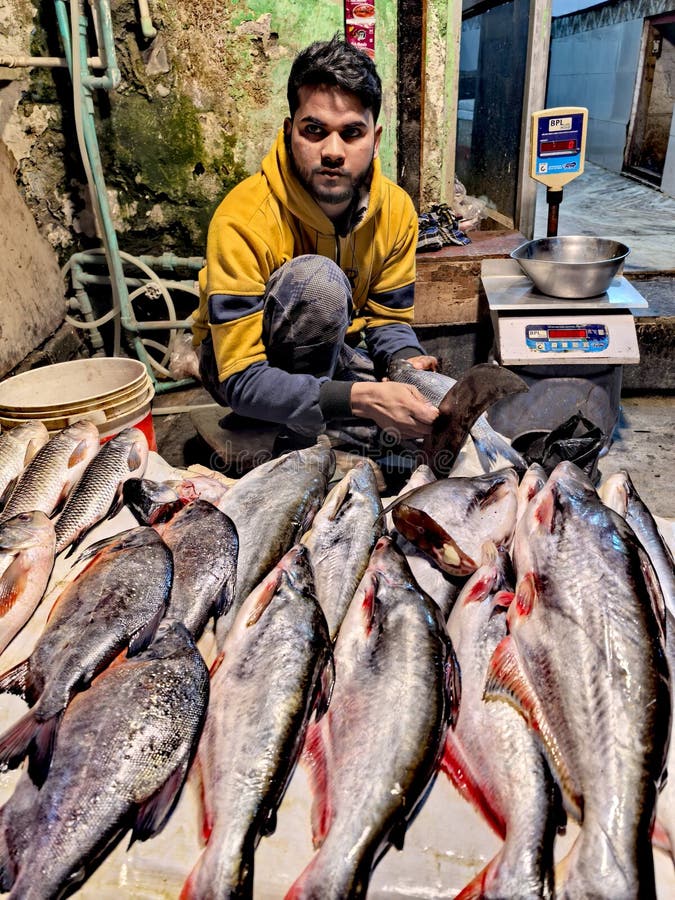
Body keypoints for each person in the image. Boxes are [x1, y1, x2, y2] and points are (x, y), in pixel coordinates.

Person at [192, 34, 439, 454]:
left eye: (352, 133)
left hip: (335, 353)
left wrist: (407, 364)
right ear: (290, 132)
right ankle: (296, 440)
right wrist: (360, 399)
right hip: (240, 371)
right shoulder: (243, 218)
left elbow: (387, 320)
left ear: (375, 139)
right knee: (319, 281)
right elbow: (239, 375)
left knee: (433, 423)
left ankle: (327, 423)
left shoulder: (396, 210)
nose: (332, 151)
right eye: (314, 130)